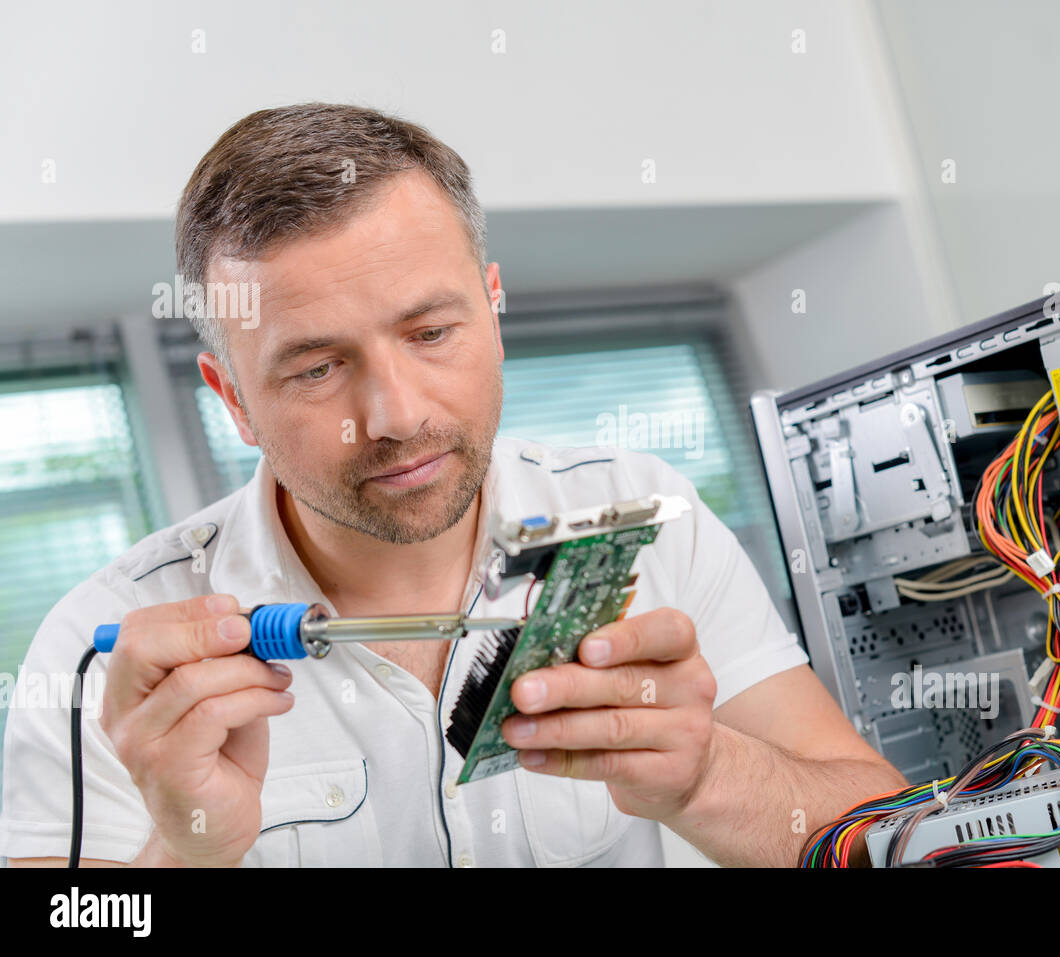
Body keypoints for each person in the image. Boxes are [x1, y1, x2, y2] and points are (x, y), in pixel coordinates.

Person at [0, 103, 905, 868]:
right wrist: (185, 851)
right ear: (233, 399)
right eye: (317, 368)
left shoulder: (646, 513)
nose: (394, 413)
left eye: (431, 333)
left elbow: (891, 829)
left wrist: (709, 777)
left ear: (494, 306)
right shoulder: (99, 651)